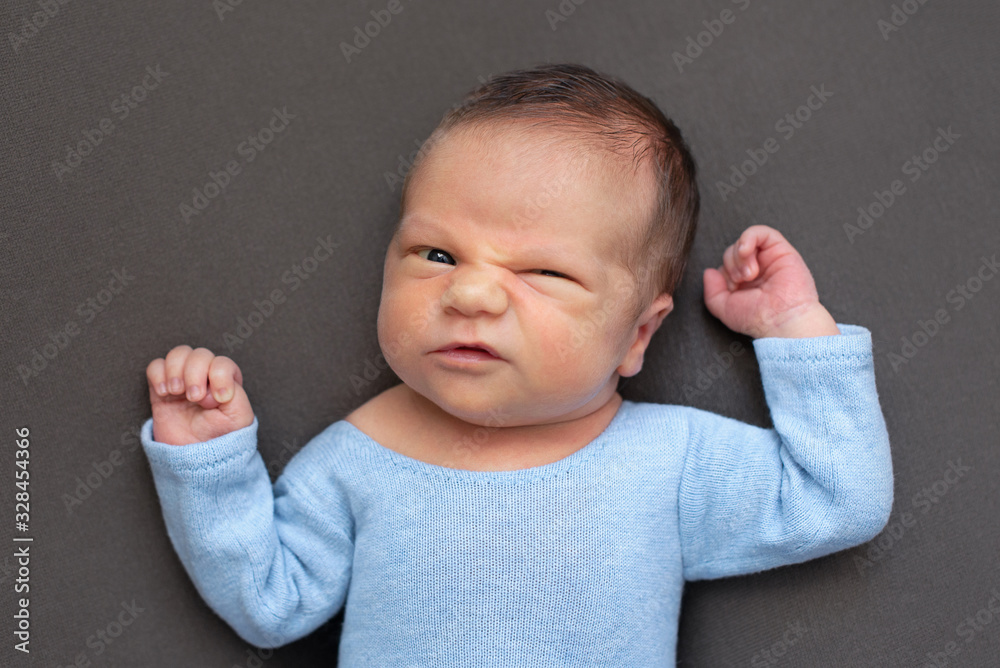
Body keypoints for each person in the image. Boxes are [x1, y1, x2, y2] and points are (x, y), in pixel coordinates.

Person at [140, 63, 893, 665]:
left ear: (638, 335)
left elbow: (836, 499)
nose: (467, 291)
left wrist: (794, 330)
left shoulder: (669, 463)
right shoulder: (357, 460)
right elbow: (271, 605)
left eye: (542, 274)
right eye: (435, 254)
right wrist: (211, 467)